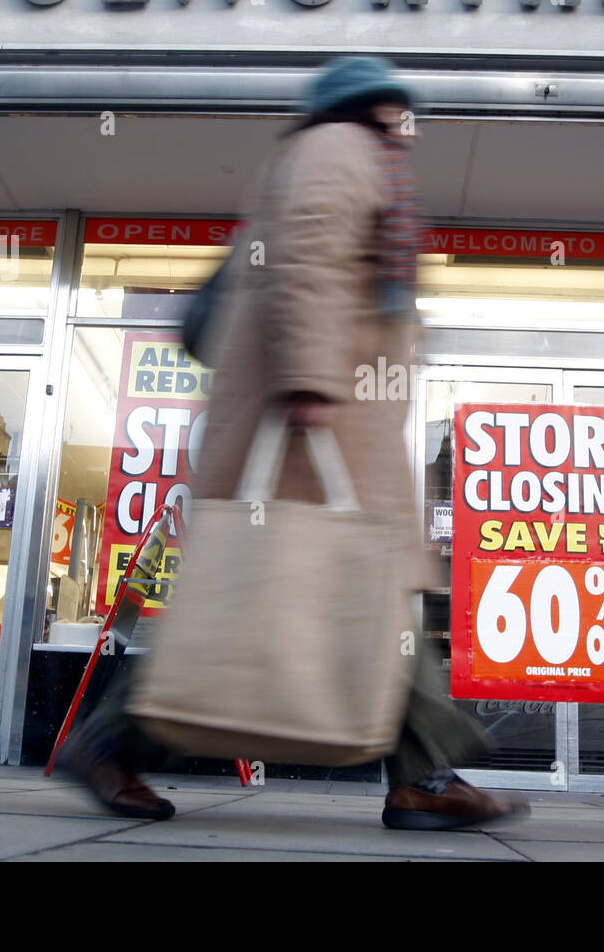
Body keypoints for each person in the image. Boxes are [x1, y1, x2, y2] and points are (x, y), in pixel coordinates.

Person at [61, 57, 529, 831]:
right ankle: (109, 743)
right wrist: (310, 378)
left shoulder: (350, 156)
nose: (398, 119)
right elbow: (308, 254)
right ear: (359, 106)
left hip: (338, 428)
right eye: (388, 105)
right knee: (282, 601)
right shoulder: (334, 151)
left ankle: (423, 778)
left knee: (353, 601)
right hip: (310, 431)